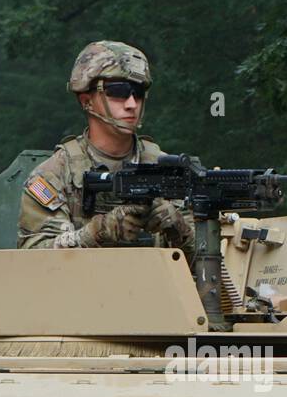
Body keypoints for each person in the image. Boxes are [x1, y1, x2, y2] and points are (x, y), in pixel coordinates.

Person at [17, 41, 194, 254]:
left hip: (154, 285)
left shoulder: (166, 169)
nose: (131, 104)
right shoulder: (55, 175)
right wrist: (97, 233)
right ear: (86, 101)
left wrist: (179, 230)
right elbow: (32, 258)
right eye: (118, 91)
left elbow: (211, 266)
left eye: (137, 92)